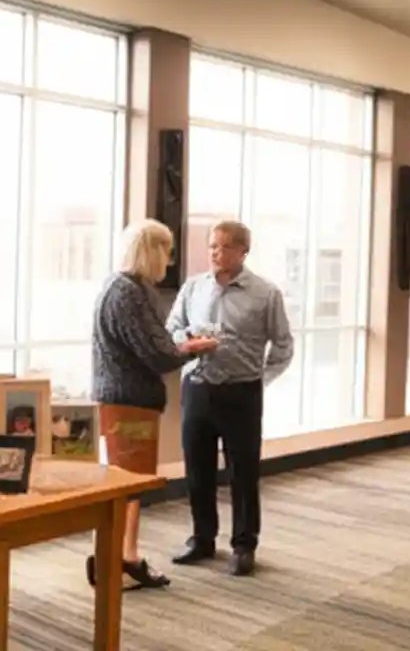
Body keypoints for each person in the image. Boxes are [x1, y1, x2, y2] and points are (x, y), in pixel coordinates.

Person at [90, 218, 219, 590]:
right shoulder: (131, 291)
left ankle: (123, 555)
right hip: (129, 401)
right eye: (167, 250)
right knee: (127, 486)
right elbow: (158, 354)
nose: (170, 259)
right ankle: (116, 558)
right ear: (153, 251)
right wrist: (196, 347)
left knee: (128, 485)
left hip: (121, 398)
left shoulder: (115, 286)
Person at [166, 220, 292, 576]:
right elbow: (172, 328)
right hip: (198, 388)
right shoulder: (193, 288)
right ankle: (202, 538)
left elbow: (283, 344)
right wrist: (186, 341)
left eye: (223, 247)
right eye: (211, 247)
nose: (215, 254)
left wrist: (260, 379)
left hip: (242, 392)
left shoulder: (265, 293)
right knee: (198, 469)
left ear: (242, 251)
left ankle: (243, 544)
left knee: (243, 471)